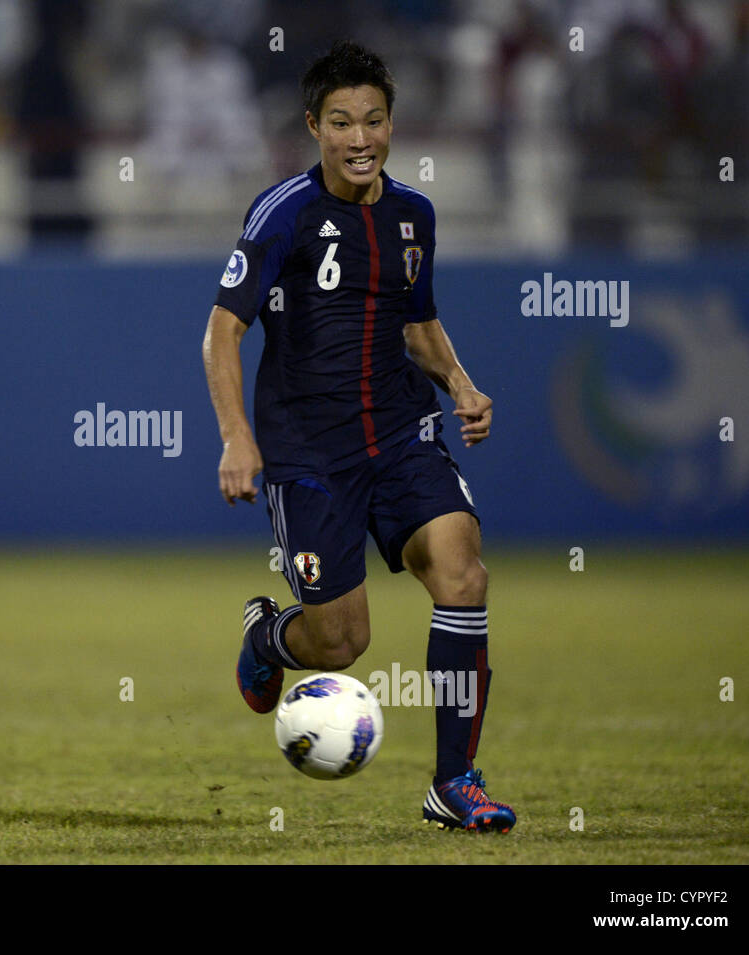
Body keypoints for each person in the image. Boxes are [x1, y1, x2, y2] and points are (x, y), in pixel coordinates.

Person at [202, 41, 515, 833]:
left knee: (463, 573)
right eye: (341, 122)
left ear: (391, 124)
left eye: (373, 120)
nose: (360, 137)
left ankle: (454, 782)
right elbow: (221, 334)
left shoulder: (416, 215)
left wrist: (462, 385)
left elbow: (418, 324)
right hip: (307, 453)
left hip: (403, 436)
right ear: (314, 126)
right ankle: (270, 636)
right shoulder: (283, 214)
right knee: (342, 642)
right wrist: (237, 438)